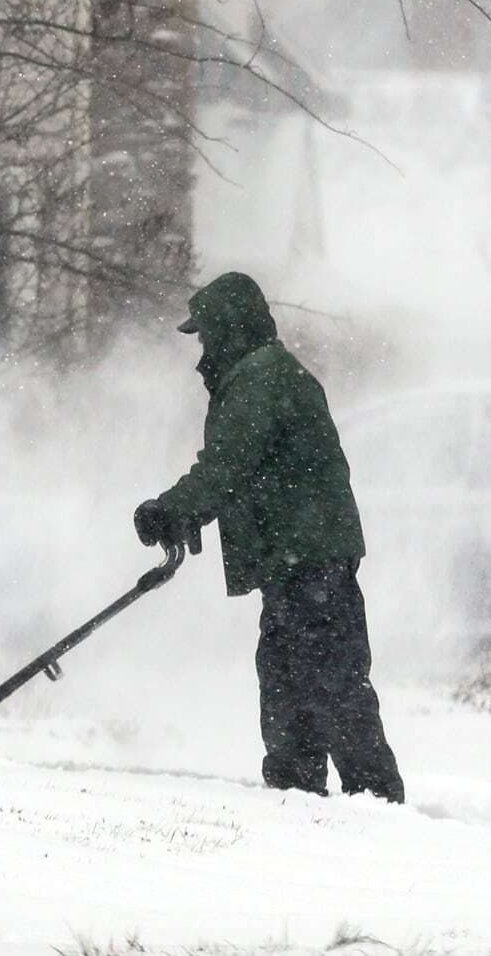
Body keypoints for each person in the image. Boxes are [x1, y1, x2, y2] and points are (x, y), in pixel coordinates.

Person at [133, 270, 406, 803]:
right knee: (289, 678)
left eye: (207, 335)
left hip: (310, 557)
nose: (202, 351)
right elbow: (239, 472)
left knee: (328, 680)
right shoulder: (263, 375)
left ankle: (374, 802)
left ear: (230, 329)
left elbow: (227, 467)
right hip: (296, 558)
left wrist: (171, 511)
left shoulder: (262, 380)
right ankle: (296, 795)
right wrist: (187, 515)